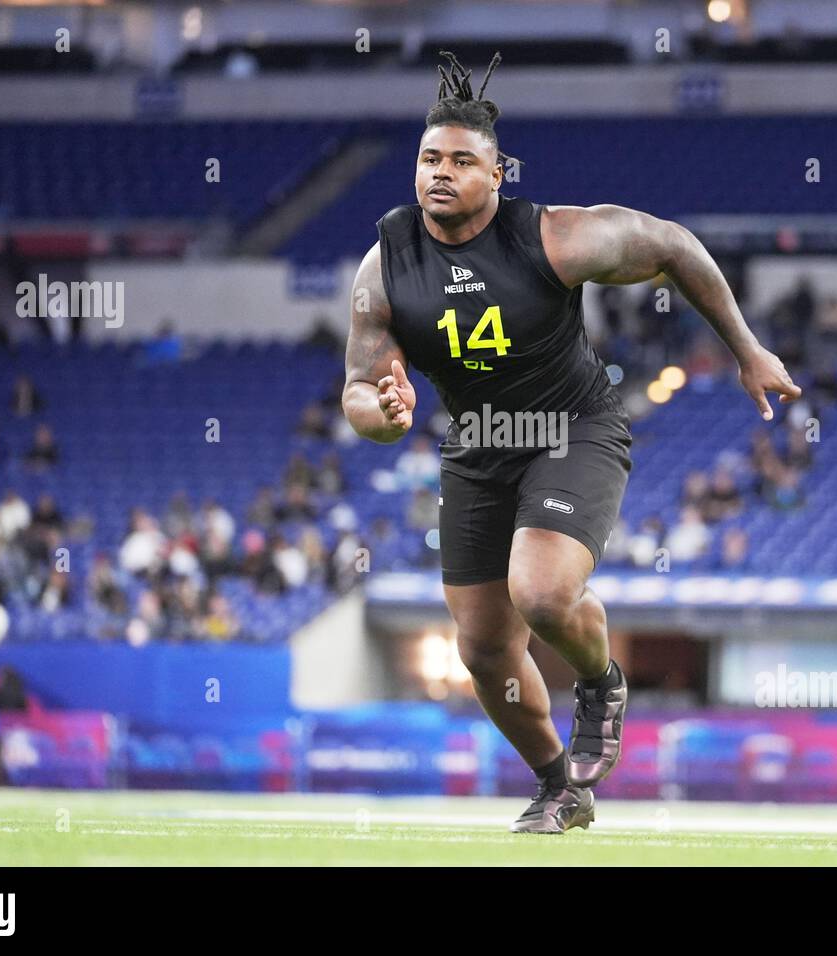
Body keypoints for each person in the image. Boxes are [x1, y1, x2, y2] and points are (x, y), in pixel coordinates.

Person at [341, 51, 800, 834]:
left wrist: (746, 348)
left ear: (498, 173)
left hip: (573, 429)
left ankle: (600, 678)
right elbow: (360, 388)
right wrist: (379, 413)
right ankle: (560, 785)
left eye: (461, 161)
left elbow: (672, 244)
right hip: (479, 446)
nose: (440, 174)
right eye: (428, 159)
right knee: (484, 652)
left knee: (543, 591)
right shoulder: (386, 266)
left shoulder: (555, 238)